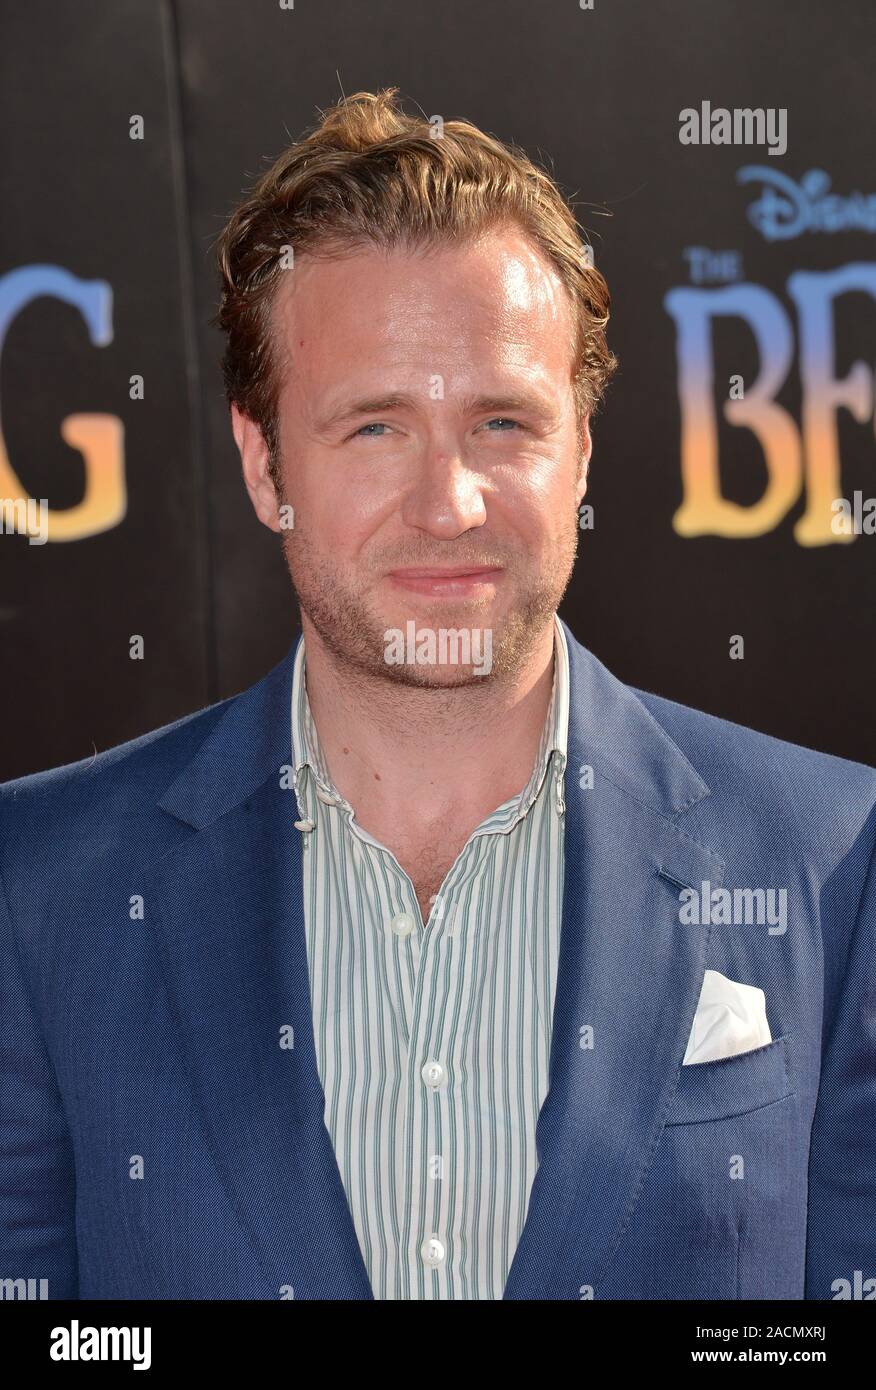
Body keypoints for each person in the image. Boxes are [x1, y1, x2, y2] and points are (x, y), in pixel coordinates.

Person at [2, 89, 874, 1302]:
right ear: (265, 464)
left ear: (582, 448)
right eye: (374, 428)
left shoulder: (833, 858)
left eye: (503, 421)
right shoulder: (40, 886)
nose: (449, 504)